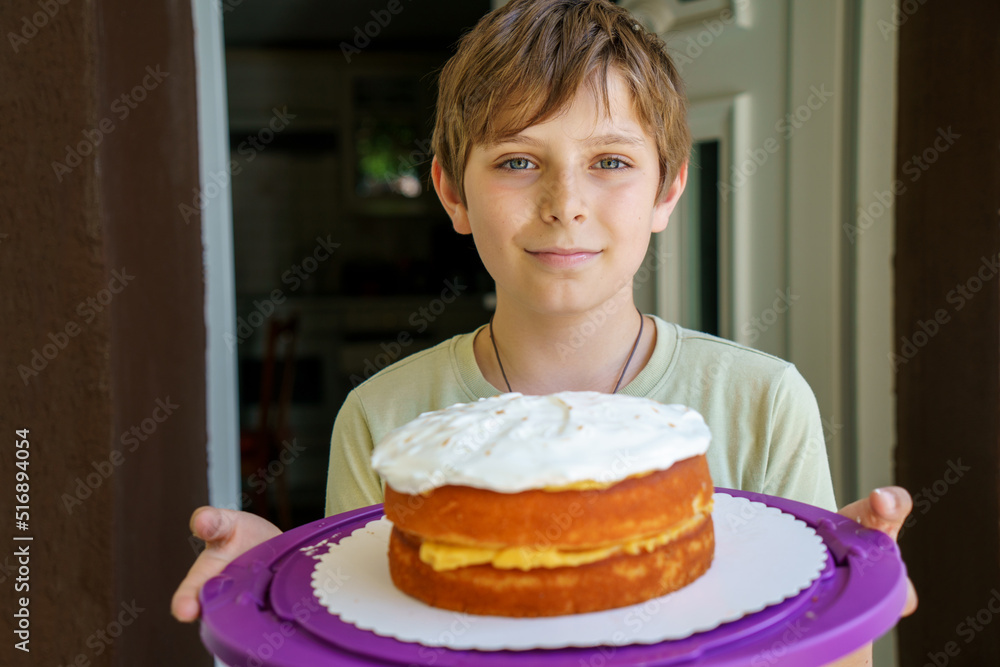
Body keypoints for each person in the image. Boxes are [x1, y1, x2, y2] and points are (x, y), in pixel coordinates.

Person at [173, 1, 916, 663]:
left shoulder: (763, 402)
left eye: (611, 161)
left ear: (668, 188)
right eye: (519, 161)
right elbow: (367, 637)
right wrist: (275, 599)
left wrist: (845, 604)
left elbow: (823, 652)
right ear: (451, 192)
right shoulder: (382, 418)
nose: (566, 202)